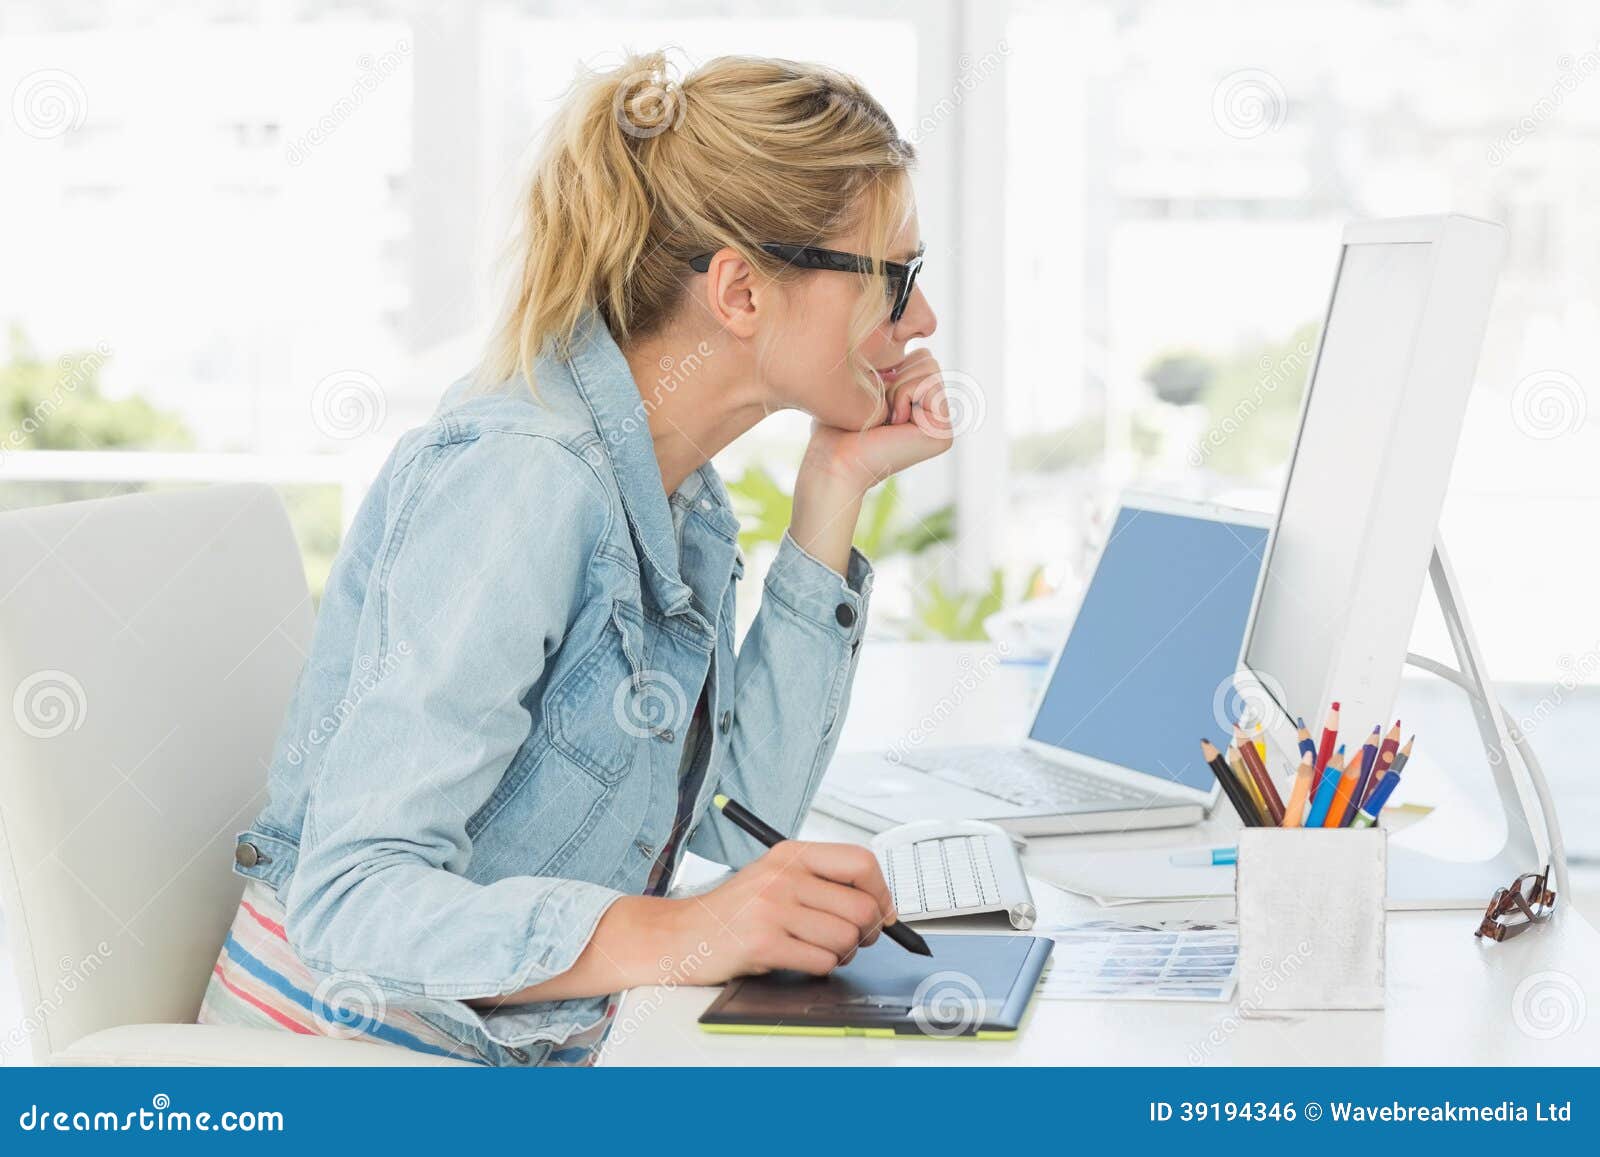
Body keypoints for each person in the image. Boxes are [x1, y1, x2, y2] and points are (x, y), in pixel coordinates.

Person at [199, 50, 949, 1066]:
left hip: (532, 1049)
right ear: (740, 291)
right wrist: (685, 932)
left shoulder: (680, 501)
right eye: (894, 277)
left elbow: (744, 827)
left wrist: (835, 489)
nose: (922, 320)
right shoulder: (522, 477)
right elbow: (354, 897)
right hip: (355, 1061)